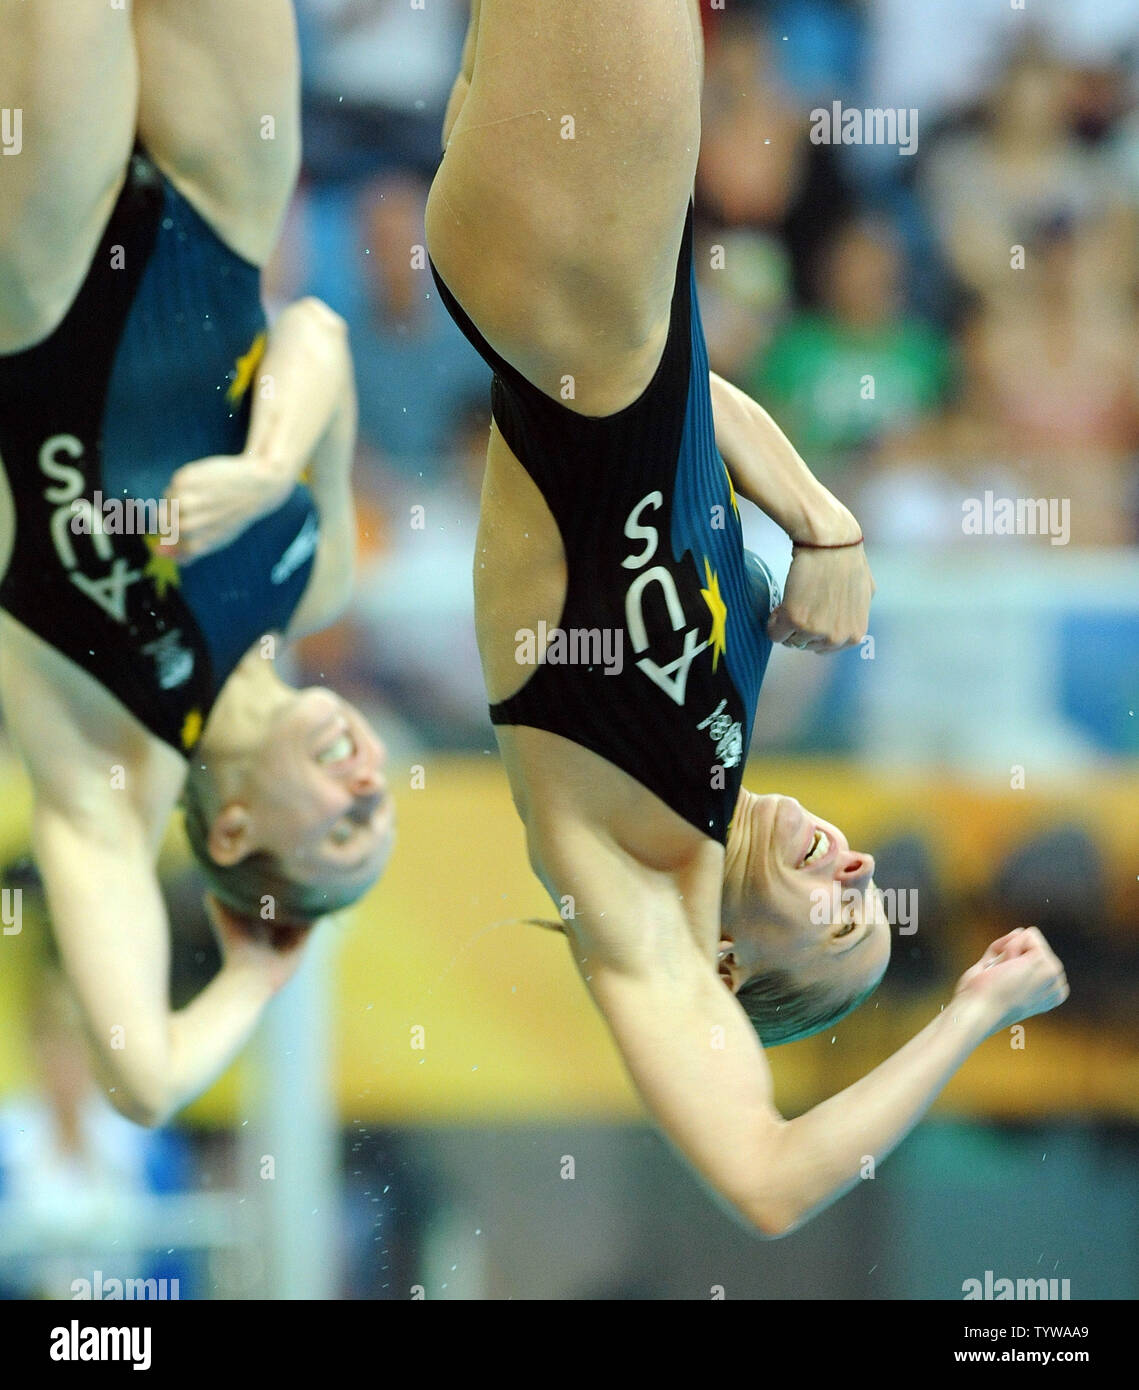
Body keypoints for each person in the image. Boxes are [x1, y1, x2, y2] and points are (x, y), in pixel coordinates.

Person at [425, 0, 1068, 1235]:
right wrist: (824, 519)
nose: (864, 874)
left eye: (841, 921)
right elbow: (684, 407)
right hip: (599, 276)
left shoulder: (632, 887)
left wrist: (972, 1011)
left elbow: (768, 1184)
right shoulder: (722, 717)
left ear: (723, 973)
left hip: (567, 271)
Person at [0, 0, 392, 1128]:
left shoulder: (102, 765)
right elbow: (316, 332)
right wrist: (269, 467)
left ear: (231, 834)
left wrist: (263, 970)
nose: (370, 784)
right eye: (381, 812)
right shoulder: (314, 585)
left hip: (45, 279)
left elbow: (148, 1080)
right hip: (223, 212)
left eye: (340, 825)